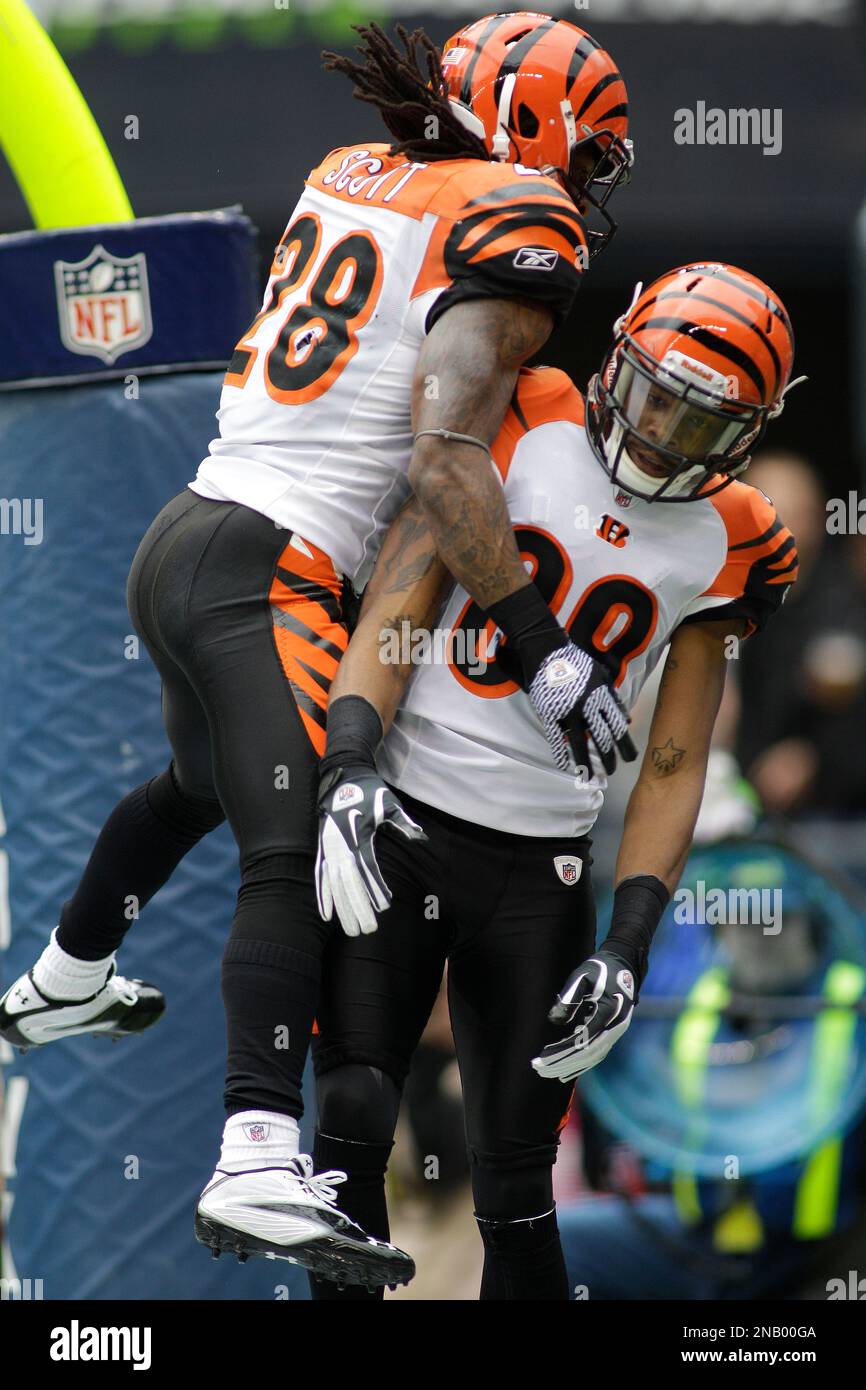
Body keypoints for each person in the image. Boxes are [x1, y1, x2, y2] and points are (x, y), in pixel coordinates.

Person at [0, 15, 634, 1287]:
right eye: (593, 152)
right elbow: (441, 459)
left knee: (199, 785)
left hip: (185, 535)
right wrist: (539, 645)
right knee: (294, 844)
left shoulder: (352, 167)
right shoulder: (516, 213)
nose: (593, 182)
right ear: (536, 128)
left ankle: (67, 969)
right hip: (276, 565)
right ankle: (250, 1151)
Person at [311, 262, 802, 1299]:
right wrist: (347, 768)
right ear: (615, 352)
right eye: (655, 393)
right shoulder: (518, 411)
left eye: (701, 422)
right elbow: (395, 612)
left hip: (540, 865)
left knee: (519, 1191)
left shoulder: (736, 535)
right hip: (405, 815)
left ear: (749, 430)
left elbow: (675, 759)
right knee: (350, 1122)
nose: (663, 431)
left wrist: (627, 943)